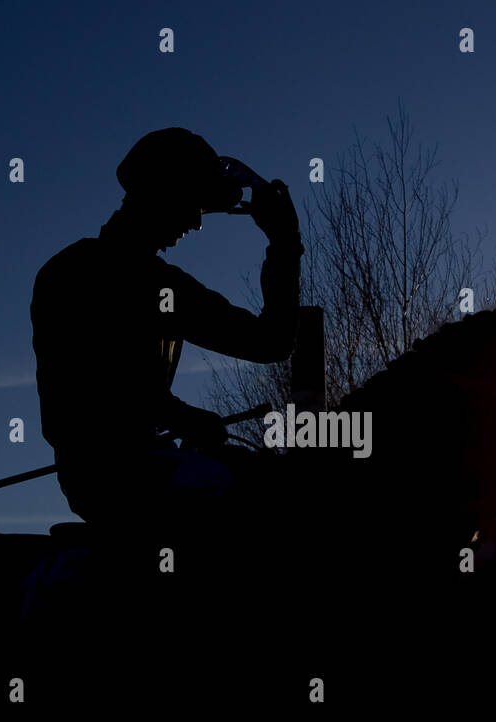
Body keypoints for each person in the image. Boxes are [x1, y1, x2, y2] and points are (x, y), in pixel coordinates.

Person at [30, 127, 303, 523]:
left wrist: (284, 243)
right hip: (109, 473)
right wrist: (183, 418)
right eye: (195, 206)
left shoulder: (157, 282)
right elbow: (94, 381)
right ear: (164, 194)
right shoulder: (78, 273)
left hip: (133, 462)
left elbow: (270, 343)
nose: (197, 224)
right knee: (256, 501)